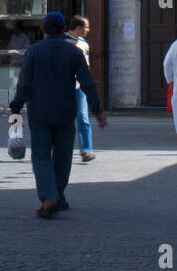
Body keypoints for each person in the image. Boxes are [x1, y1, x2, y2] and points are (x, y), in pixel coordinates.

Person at [10, 11, 106, 218]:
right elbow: (87, 83)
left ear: (43, 29)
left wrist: (16, 106)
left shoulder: (34, 52)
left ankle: (49, 196)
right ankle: (59, 196)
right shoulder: (74, 53)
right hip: (65, 112)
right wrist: (97, 110)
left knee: (42, 156)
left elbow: (24, 83)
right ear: (63, 30)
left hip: (39, 113)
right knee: (62, 158)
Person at [65, 15, 96, 162]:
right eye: (86, 27)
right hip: (62, 87)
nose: (88, 30)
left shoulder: (84, 43)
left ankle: (86, 150)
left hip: (79, 87)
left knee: (83, 117)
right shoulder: (61, 41)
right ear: (78, 28)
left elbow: (87, 66)